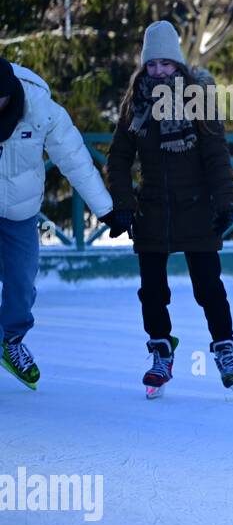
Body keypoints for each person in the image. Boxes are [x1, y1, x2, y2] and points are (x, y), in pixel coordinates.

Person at [106, 21, 233, 398]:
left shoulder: (198, 100)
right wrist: (122, 203)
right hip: (152, 211)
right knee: (152, 291)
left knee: (209, 287)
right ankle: (160, 351)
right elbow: (118, 158)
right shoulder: (136, 104)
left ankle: (225, 349)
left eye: (166, 63)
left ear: (179, 65)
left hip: (198, 209)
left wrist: (226, 203)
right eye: (152, 64)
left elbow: (217, 156)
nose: (159, 71)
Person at [0, 58, 124, 389]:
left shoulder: (40, 108)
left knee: (22, 282)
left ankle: (11, 342)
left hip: (20, 212)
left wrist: (106, 210)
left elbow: (75, 160)